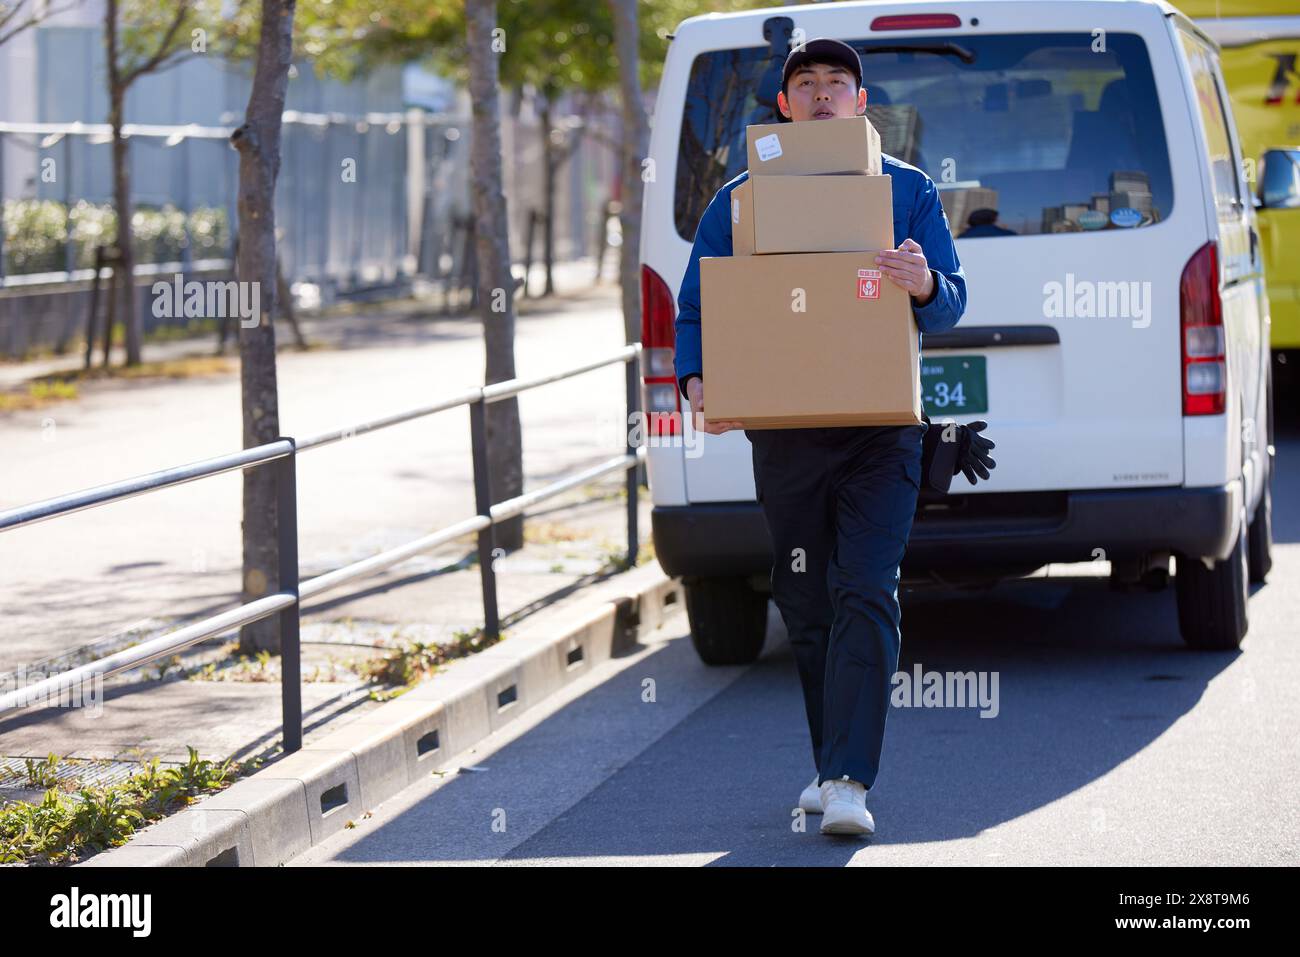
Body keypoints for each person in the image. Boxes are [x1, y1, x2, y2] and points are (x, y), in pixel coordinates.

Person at [673, 38, 968, 836]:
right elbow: (699, 301)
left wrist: (924, 282)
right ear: (785, 107)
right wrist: (698, 380)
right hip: (787, 433)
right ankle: (828, 761)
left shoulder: (905, 191)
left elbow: (951, 303)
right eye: (807, 84)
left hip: (881, 434)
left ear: (861, 103)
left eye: (839, 82)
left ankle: (848, 780)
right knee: (805, 597)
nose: (824, 94)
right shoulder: (738, 198)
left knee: (866, 587)